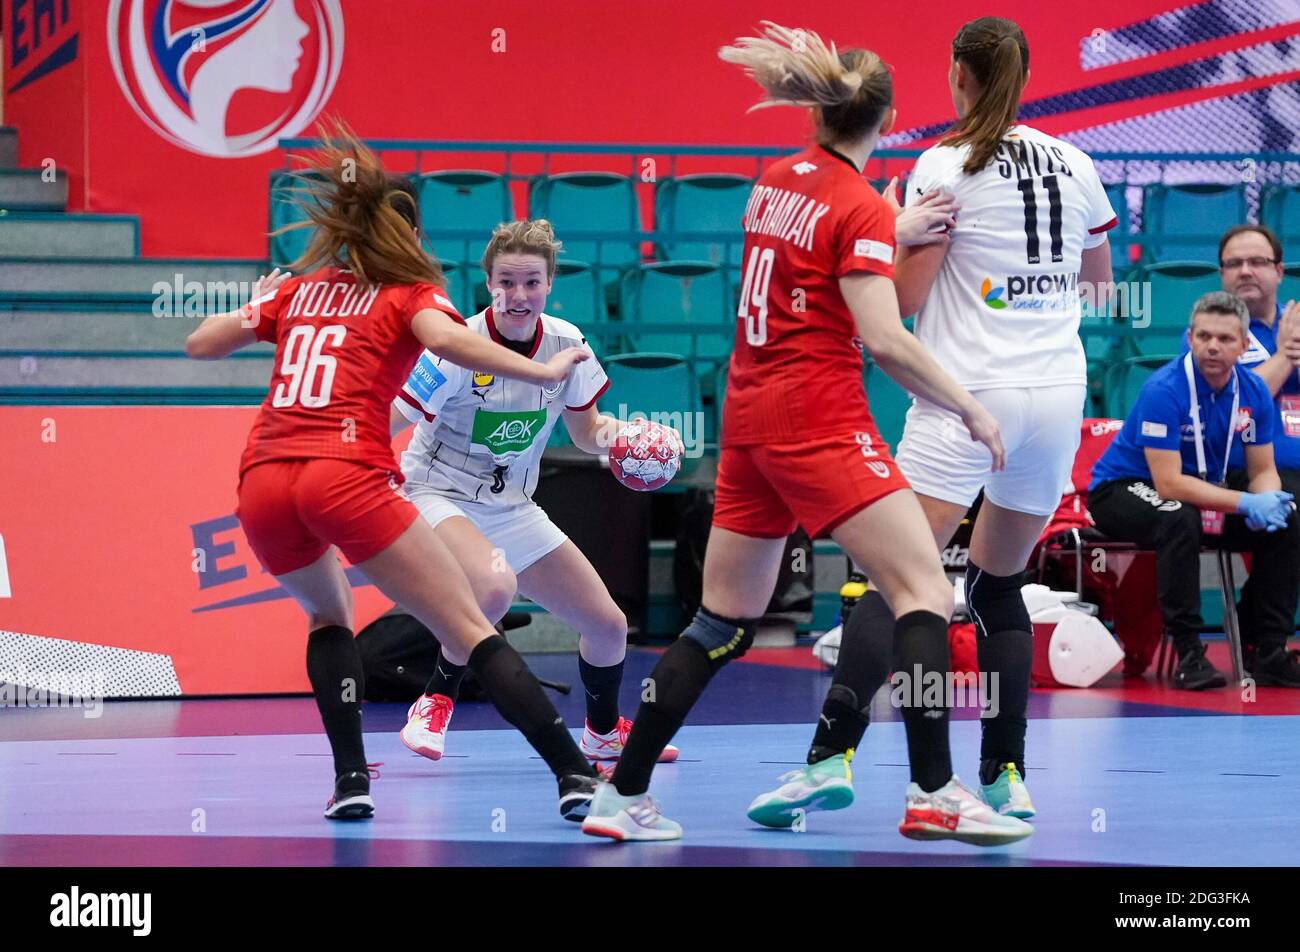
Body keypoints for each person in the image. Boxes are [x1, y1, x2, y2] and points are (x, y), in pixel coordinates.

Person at [582, 21, 1031, 845]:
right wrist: (968, 405)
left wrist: (883, 233)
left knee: (719, 620)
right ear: (887, 120)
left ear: (817, 114)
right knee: (923, 592)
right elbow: (886, 336)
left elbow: (806, 250)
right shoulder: (858, 203)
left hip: (747, 417)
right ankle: (934, 789)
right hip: (816, 418)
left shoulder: (773, 179)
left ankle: (621, 795)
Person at [746, 16, 1118, 828]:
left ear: (959, 75)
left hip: (965, 394)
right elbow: (1099, 284)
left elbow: (904, 304)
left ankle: (828, 759)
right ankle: (1006, 777)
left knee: (901, 578)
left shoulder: (944, 164)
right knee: (999, 585)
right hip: (1056, 393)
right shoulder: (1078, 162)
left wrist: (893, 227)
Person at [184, 125, 601, 821]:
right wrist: (542, 369)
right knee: (470, 624)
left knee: (327, 618)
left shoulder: (301, 291)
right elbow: (454, 342)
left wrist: (257, 303)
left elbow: (200, 345)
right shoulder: (410, 294)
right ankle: (575, 775)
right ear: (406, 233)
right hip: (342, 472)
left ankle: (351, 781)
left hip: (262, 479)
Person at [390, 219, 681, 765]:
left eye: (531, 282)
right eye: (506, 282)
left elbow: (586, 429)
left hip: (512, 505)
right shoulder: (456, 344)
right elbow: (391, 417)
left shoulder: (568, 344)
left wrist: (623, 437)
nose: (518, 295)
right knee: (494, 586)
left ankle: (600, 732)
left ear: (549, 284)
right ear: (488, 284)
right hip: (437, 493)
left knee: (608, 624)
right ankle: (434, 699)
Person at [1089, 292, 1300, 688]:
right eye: (1203, 336)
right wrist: (1245, 502)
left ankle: (1268, 647)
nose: (1212, 346)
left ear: (1242, 345)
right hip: (1125, 489)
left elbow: (1263, 469)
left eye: (1224, 339)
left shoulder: (1252, 391)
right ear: (1189, 338)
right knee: (1178, 517)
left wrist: (1268, 499)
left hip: (1201, 484)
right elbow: (1168, 484)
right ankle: (1189, 652)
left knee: (1288, 518)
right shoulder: (1164, 390)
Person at [1217, 224, 1300, 674]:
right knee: (1290, 504)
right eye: (1235, 264)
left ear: (1279, 271)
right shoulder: (1212, 332)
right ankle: (1268, 647)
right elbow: (1240, 403)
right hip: (1233, 477)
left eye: (1258, 262)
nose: (1246, 271)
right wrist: (1287, 354)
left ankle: (1253, 624)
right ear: (1221, 274)